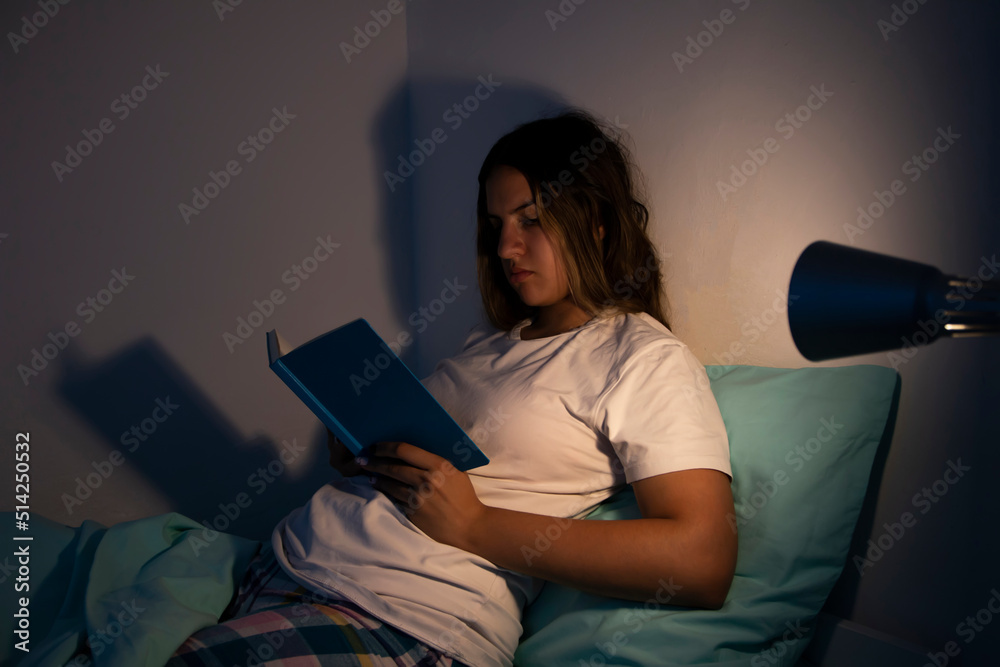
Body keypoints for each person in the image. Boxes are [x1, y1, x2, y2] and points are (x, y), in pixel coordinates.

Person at [168, 108, 736, 667]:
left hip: (404, 619)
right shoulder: (489, 343)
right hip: (289, 568)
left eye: (531, 219)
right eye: (496, 227)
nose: (506, 248)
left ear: (597, 221)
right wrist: (367, 449)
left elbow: (702, 561)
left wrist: (476, 525)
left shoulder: (641, 357)